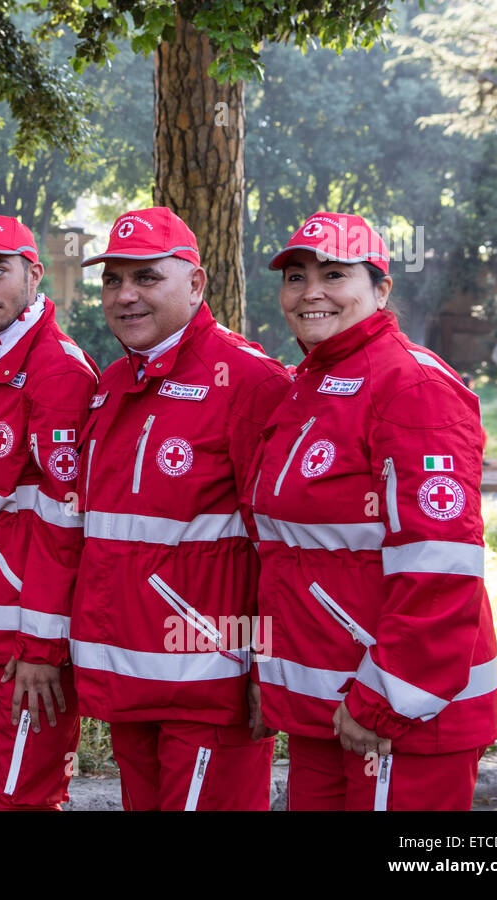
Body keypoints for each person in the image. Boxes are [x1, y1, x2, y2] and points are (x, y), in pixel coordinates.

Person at [31, 207, 292, 810]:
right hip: (129, 680)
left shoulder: (250, 383)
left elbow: (279, 547)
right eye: (112, 280)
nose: (125, 296)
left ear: (196, 283)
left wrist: (267, 670)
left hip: (209, 686)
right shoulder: (114, 384)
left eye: (147, 278)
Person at [246, 211, 497, 810]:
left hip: (399, 720)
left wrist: (384, 699)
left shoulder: (412, 387)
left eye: (334, 274)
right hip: (324, 709)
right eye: (296, 276)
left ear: (380, 289)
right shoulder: (308, 386)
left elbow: (440, 567)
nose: (310, 292)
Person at [0, 214, 98, 810]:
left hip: (22, 648)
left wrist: (41, 647)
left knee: (23, 800)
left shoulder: (59, 373)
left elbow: (66, 526)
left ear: (35, 274)